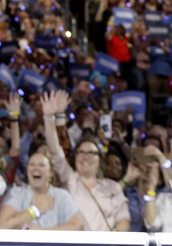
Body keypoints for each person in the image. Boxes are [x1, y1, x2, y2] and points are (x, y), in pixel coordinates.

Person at [42, 91, 130, 231]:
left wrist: (112, 244)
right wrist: (49, 117)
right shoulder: (70, 180)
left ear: (100, 160)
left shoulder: (113, 187)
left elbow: (123, 220)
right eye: (81, 152)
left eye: (91, 153)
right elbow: (55, 150)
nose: (85, 157)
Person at [0, 151, 85, 231]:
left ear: (50, 173)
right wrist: (35, 210)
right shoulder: (17, 193)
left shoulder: (61, 195)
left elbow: (77, 225)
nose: (36, 168)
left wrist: (43, 233)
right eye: (32, 164)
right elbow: (3, 225)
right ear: (27, 171)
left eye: (42, 165)